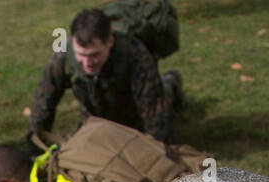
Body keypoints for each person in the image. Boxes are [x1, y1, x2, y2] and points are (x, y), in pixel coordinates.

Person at [28, 7, 182, 144]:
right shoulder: (64, 56)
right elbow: (44, 102)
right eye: (81, 55)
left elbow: (155, 116)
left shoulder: (135, 55)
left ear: (110, 41)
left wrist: (156, 155)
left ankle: (171, 83)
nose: (87, 62)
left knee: (161, 100)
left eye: (94, 54)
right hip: (96, 117)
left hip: (135, 112)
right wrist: (34, 146)